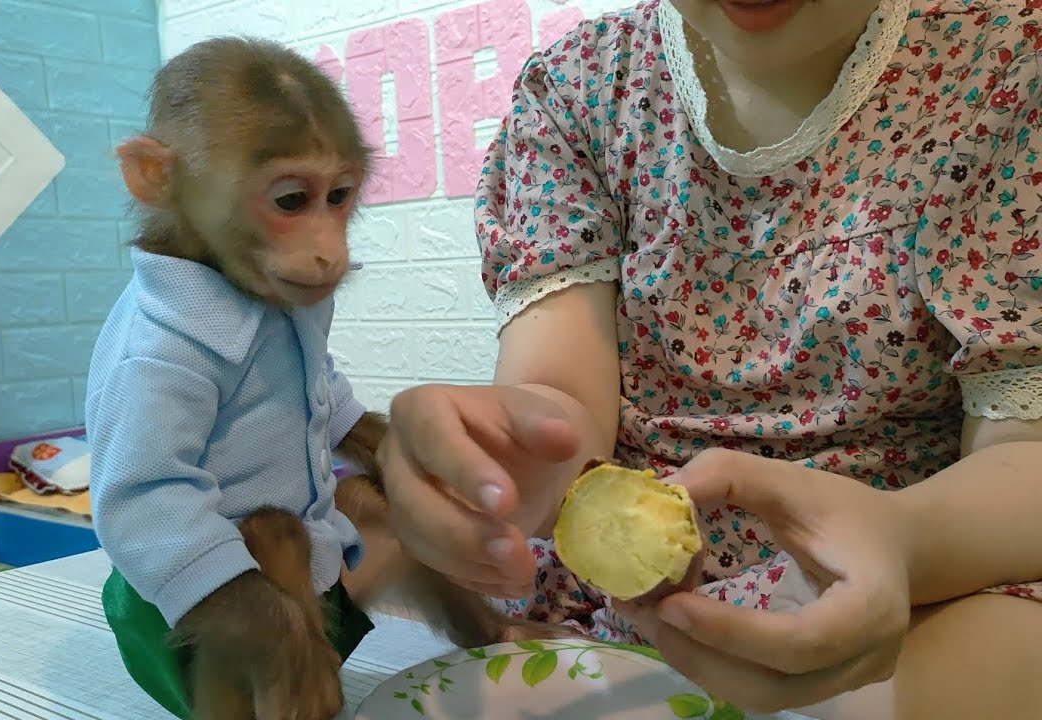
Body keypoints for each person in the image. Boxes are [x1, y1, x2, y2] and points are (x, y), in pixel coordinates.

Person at [378, 0, 1041, 716]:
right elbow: (560, 397)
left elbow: (1022, 455)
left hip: (932, 565)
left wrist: (907, 541)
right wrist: (511, 454)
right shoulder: (579, 90)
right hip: (631, 592)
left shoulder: (1010, 60)